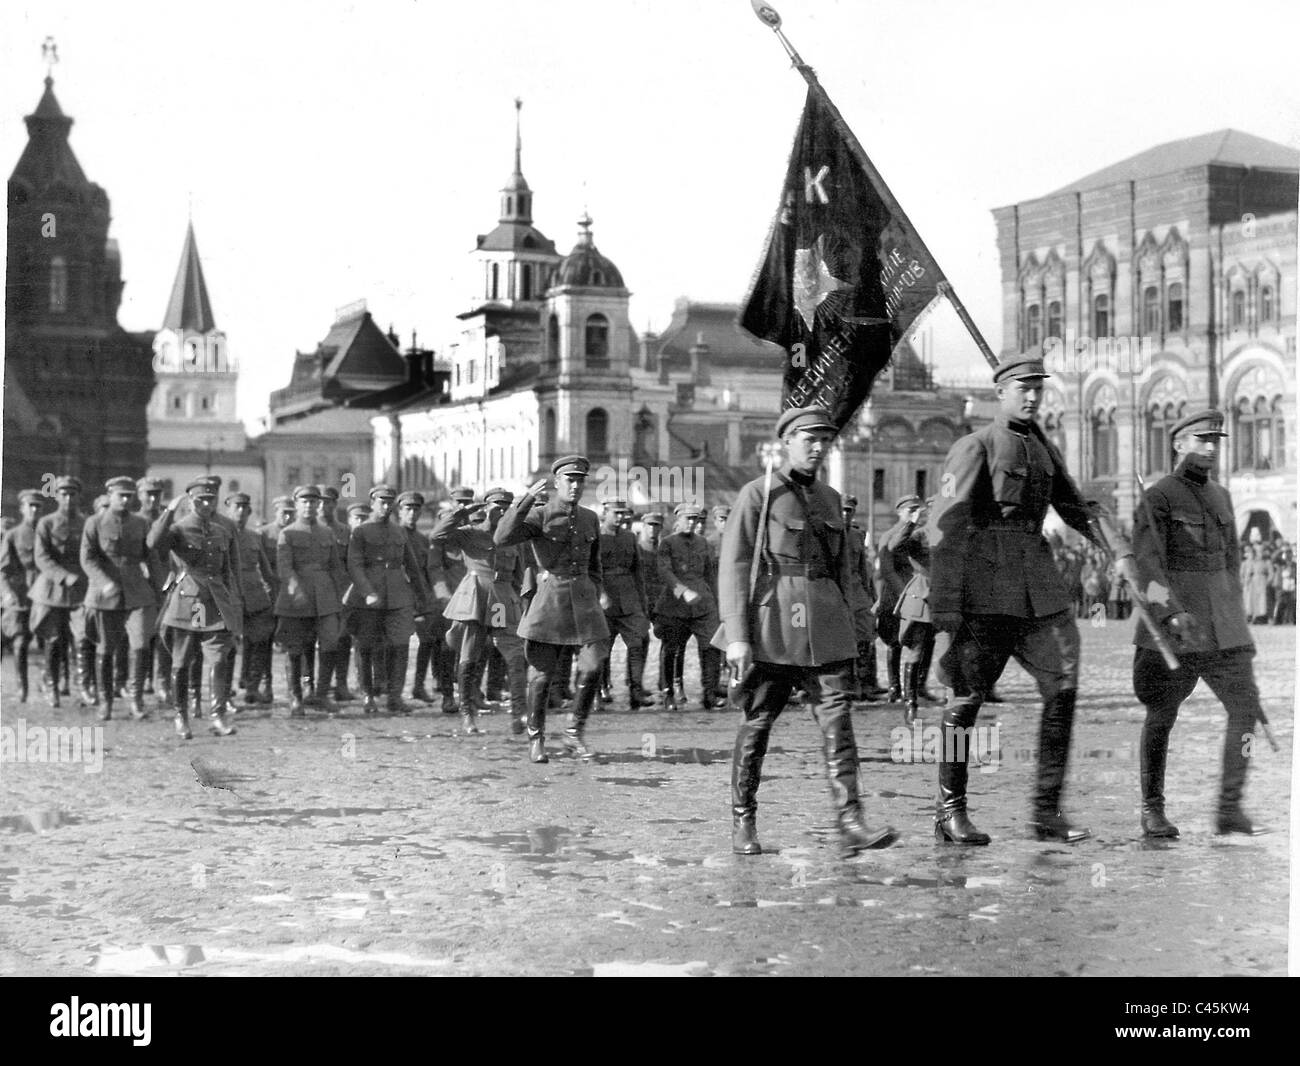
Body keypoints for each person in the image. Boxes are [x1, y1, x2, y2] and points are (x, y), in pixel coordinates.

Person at [927, 355, 1100, 845]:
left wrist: (1116, 543)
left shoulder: (1043, 451)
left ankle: (1047, 811)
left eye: (1037, 390)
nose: (1031, 397)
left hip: (1039, 591)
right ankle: (950, 809)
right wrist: (946, 605)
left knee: (1063, 686)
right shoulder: (975, 445)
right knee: (966, 700)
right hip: (984, 592)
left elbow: (1074, 508)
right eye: (1022, 388)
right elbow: (946, 527)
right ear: (999, 391)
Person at [715, 406, 898, 858]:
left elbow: (847, 574)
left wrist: (860, 625)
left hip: (826, 624)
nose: (817, 448)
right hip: (772, 624)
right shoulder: (757, 495)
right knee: (758, 722)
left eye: (824, 440)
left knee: (838, 720)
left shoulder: (832, 499)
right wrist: (738, 636)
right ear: (786, 442)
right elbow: (734, 567)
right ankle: (744, 819)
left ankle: (851, 820)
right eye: (808, 439)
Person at [1128, 409, 1266, 837]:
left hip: (1223, 628)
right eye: (1200, 439)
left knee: (1245, 711)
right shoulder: (1159, 497)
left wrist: (1237, 621)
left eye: (1215, 440)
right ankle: (1153, 808)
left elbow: (1232, 561)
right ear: (1178, 444)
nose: (1209, 448)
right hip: (1177, 628)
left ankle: (1229, 807)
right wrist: (1169, 611)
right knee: (1161, 715)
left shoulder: (1223, 497)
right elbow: (1147, 568)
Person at [494, 455, 610, 762]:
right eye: (569, 480)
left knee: (593, 665)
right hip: (550, 602)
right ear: (557, 482)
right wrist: (527, 499)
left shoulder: (589, 517)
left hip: (584, 604)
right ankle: (536, 738)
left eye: (580, 480)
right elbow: (502, 537)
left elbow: (595, 562)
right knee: (542, 675)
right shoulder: (540, 514)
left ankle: (573, 733)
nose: (575, 486)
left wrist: (596, 591)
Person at [147, 479, 243, 738]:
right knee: (181, 663)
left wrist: (234, 604)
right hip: (187, 603)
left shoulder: (222, 531)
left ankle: (218, 716)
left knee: (219, 659)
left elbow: (229, 571)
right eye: (199, 500)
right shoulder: (178, 529)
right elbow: (154, 543)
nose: (205, 504)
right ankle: (181, 717)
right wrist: (168, 512)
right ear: (190, 501)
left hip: (216, 605)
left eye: (210, 500)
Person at [430, 487, 528, 734]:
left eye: (507, 507)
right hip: (475, 597)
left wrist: (519, 602)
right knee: (469, 655)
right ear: (486, 508)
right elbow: (437, 535)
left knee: (513, 655)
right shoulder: (470, 533)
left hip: (500, 599)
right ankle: (467, 714)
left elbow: (519, 576)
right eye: (497, 506)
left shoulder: (513, 538)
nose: (502, 511)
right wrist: (462, 511)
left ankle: (519, 715)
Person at [343, 484, 429, 716]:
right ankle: (368, 695)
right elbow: (354, 564)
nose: (385, 506)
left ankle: (394, 696)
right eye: (381, 501)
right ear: (372, 503)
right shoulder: (361, 532)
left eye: (389, 502)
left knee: (400, 645)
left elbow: (411, 566)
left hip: (398, 596)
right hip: (368, 599)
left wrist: (423, 597)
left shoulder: (399, 532)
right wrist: (367, 591)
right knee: (366, 647)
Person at [81, 476, 158, 720]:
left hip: (137, 593)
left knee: (141, 645)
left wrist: (161, 586)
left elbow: (150, 556)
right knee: (105, 649)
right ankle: (106, 702)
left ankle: (136, 701)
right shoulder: (95, 523)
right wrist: (104, 583)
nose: (125, 500)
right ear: (110, 495)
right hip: (106, 596)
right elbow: (88, 559)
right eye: (120, 496)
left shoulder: (141, 523)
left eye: (129, 496)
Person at [273, 484, 345, 716]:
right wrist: (296, 590)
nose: (309, 506)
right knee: (295, 648)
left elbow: (335, 566)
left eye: (313, 502)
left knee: (330, 642)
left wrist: (340, 596)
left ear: (318, 505)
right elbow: (284, 568)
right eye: (304, 502)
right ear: (296, 505)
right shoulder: (288, 533)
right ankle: (296, 697)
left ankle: (320, 694)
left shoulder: (327, 533)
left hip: (325, 597)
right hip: (297, 599)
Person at [29, 476, 90, 709]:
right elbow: (41, 558)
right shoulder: (46, 523)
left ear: (78, 496)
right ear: (56, 496)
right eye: (63, 493)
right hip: (52, 589)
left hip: (80, 590)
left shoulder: (86, 523)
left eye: (72, 494)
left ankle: (84, 686)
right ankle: (52, 687)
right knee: (54, 640)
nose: (67, 498)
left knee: (83, 638)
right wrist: (64, 576)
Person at [655, 503, 723, 710]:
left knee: (712, 646)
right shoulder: (667, 543)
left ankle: (709, 693)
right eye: (688, 518)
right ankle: (668, 693)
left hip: (703, 605)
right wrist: (683, 591)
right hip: (674, 606)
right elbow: (665, 573)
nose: (692, 523)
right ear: (678, 520)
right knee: (671, 649)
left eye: (695, 519)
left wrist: (717, 603)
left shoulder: (704, 543)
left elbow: (710, 575)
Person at [887, 495, 939, 724]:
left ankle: (956, 698)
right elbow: (895, 547)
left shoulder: (952, 534)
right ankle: (910, 703)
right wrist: (910, 522)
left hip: (945, 598)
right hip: (922, 595)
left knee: (940, 647)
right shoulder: (920, 534)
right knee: (916, 649)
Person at [595, 500, 651, 708]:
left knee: (637, 643)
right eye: (616, 513)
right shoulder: (596, 537)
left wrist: (642, 602)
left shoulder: (629, 537)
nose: (620, 518)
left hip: (629, 600)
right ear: (605, 513)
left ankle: (636, 690)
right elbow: (591, 569)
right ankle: (600, 689)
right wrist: (600, 594)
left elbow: (637, 571)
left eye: (623, 514)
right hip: (605, 601)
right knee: (603, 649)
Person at [226, 492, 276, 711]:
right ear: (228, 509)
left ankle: (253, 688)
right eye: (236, 507)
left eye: (244, 508)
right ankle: (224, 692)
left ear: (249, 512)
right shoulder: (219, 534)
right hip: (229, 593)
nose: (240, 512)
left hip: (255, 595)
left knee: (261, 640)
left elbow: (266, 570)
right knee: (226, 645)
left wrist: (275, 595)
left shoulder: (255, 536)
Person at [1, 490, 46, 703]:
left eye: (38, 506)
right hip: (22, 598)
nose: (34, 510)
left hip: (47, 596)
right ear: (22, 509)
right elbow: (3, 570)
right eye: (31, 506)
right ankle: (23, 687)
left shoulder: (49, 532)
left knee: (53, 642)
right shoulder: (13, 535)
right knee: (20, 644)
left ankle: (51, 682)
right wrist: (7, 593)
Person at [841, 495, 886, 702]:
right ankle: (846, 686)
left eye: (849, 510)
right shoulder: (827, 534)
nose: (845, 514)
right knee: (840, 643)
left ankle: (868, 684)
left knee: (865, 639)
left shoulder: (857, 536)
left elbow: (862, 567)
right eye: (841, 509)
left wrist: (871, 594)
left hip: (858, 594)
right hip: (836, 594)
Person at [876, 495, 919, 702]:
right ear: (899, 512)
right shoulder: (889, 535)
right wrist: (904, 593)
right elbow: (886, 569)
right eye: (910, 511)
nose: (914, 515)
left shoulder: (918, 534)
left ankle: (916, 688)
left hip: (916, 594)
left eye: (916, 510)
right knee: (894, 643)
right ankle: (894, 688)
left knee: (918, 642)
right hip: (895, 596)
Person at [634, 512, 665, 708]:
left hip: (660, 600)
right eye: (650, 525)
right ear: (643, 526)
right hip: (640, 599)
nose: (653, 529)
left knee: (668, 637)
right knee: (640, 641)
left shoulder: (663, 549)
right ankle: (634, 684)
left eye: (657, 526)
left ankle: (665, 683)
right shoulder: (637, 548)